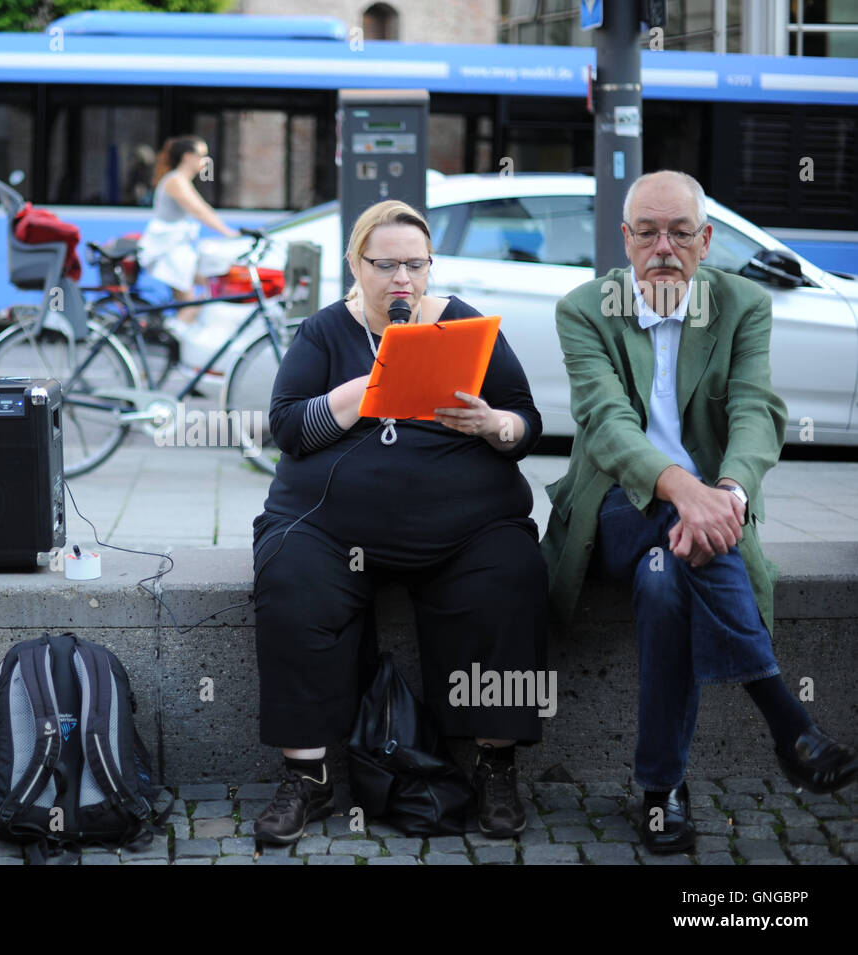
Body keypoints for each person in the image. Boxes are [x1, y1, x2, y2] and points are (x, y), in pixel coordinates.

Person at [542, 170, 858, 854]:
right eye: (648, 232)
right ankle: (788, 722)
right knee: (666, 531)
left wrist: (731, 494)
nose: (663, 247)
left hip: (704, 518)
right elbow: (606, 422)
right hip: (616, 508)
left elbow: (754, 408)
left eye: (680, 232)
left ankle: (661, 790)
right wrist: (687, 491)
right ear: (624, 240)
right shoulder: (584, 309)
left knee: (664, 578)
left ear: (706, 239)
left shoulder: (743, 305)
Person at [250, 199, 548, 844]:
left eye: (416, 264)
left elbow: (527, 421)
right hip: (330, 528)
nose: (402, 280)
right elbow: (287, 429)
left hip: (465, 529)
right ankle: (307, 775)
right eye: (386, 265)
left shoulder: (466, 325)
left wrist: (495, 425)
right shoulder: (324, 333)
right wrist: (361, 392)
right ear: (357, 265)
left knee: (511, 575)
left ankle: (496, 764)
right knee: (290, 578)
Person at [136, 135, 238, 327]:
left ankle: (177, 335)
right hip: (169, 250)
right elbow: (198, 211)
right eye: (202, 155)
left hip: (176, 247)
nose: (206, 161)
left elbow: (204, 209)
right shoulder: (175, 181)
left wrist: (228, 231)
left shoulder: (180, 180)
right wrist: (228, 233)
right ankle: (174, 334)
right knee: (191, 302)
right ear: (187, 157)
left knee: (209, 288)